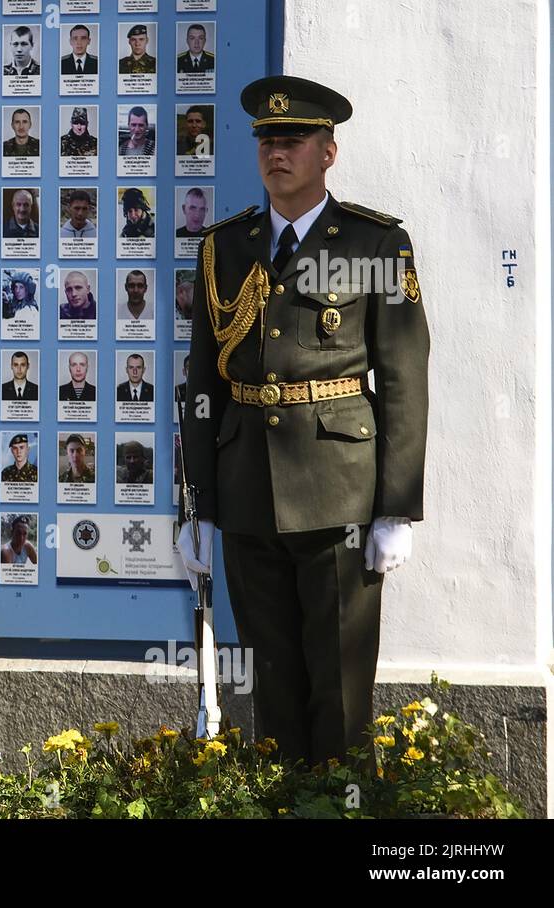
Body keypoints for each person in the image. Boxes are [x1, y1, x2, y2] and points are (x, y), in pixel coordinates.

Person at [178, 75, 429, 765]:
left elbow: (405, 374)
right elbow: (203, 382)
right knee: (271, 681)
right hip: (248, 486)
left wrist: (395, 509)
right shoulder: (225, 246)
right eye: (266, 141)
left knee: (342, 684)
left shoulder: (377, 245)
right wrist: (196, 504)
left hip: (340, 486)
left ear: (328, 153)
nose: (275, 153)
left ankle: (347, 809)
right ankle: (286, 806)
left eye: (292, 141)